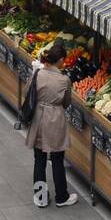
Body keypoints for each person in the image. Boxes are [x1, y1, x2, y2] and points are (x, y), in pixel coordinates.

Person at [25, 42, 77, 207]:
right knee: (57, 159)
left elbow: (28, 91)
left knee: (39, 159)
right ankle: (61, 196)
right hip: (55, 119)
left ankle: (40, 198)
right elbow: (67, 101)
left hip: (38, 118)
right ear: (61, 60)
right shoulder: (64, 80)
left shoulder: (38, 74)